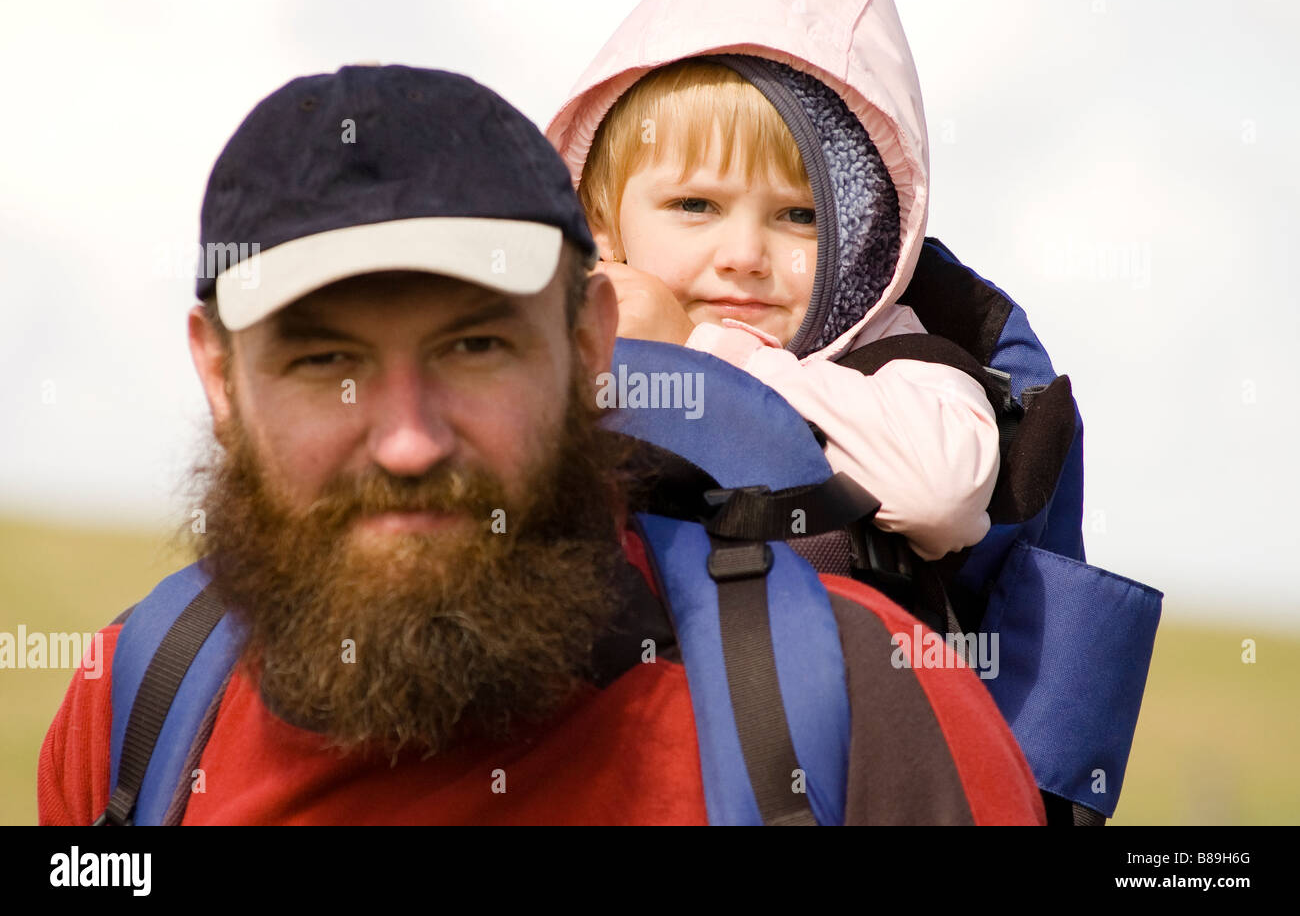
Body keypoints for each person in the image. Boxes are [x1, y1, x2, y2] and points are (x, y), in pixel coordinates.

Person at [38, 64, 1045, 825]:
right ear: (219, 376)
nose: (406, 441)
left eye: (475, 348)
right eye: (324, 361)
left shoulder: (866, 700)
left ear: (590, 341)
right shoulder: (140, 701)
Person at [547, 0, 1001, 565]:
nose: (744, 257)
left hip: (805, 655)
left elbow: (937, 495)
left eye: (799, 216)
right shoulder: (562, 340)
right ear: (600, 221)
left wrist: (702, 352)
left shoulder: (900, 362)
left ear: (867, 238)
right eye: (695, 204)